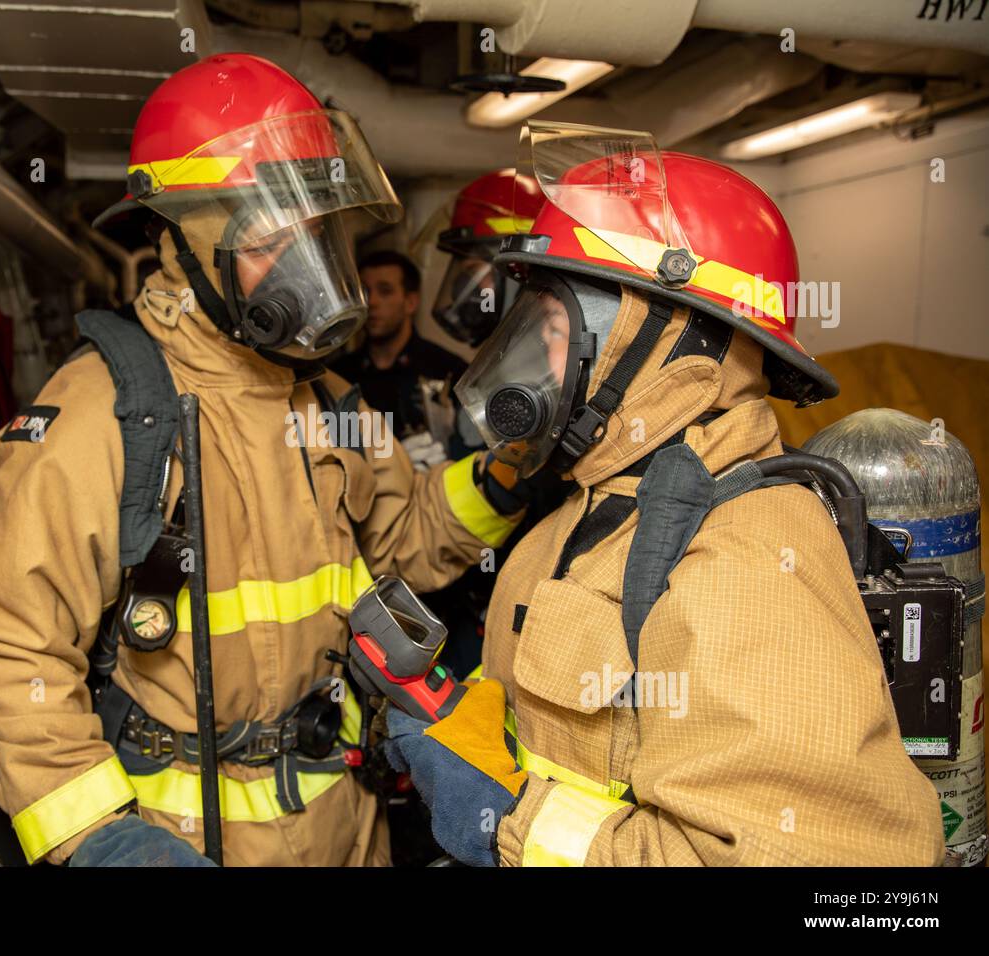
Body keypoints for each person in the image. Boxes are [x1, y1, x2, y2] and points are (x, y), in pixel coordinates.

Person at [0, 53, 522, 868]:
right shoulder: (99, 415)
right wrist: (102, 841)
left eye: (316, 238)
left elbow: (404, 542)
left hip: (349, 826)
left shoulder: (326, 401)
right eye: (272, 242)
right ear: (191, 241)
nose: (306, 273)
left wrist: (503, 476)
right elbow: (10, 646)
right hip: (186, 839)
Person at [384, 124, 946, 867]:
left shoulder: (746, 559)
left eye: (556, 327)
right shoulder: (601, 496)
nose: (540, 360)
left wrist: (512, 824)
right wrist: (471, 728)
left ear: (668, 340)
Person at [331, 251, 468, 470]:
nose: (372, 302)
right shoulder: (337, 377)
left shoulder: (449, 371)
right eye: (364, 291)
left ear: (410, 302)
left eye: (385, 291)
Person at [431, 168, 545, 348]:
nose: (460, 288)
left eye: (474, 270)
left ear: (521, 271)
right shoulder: (509, 357)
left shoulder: (552, 360)